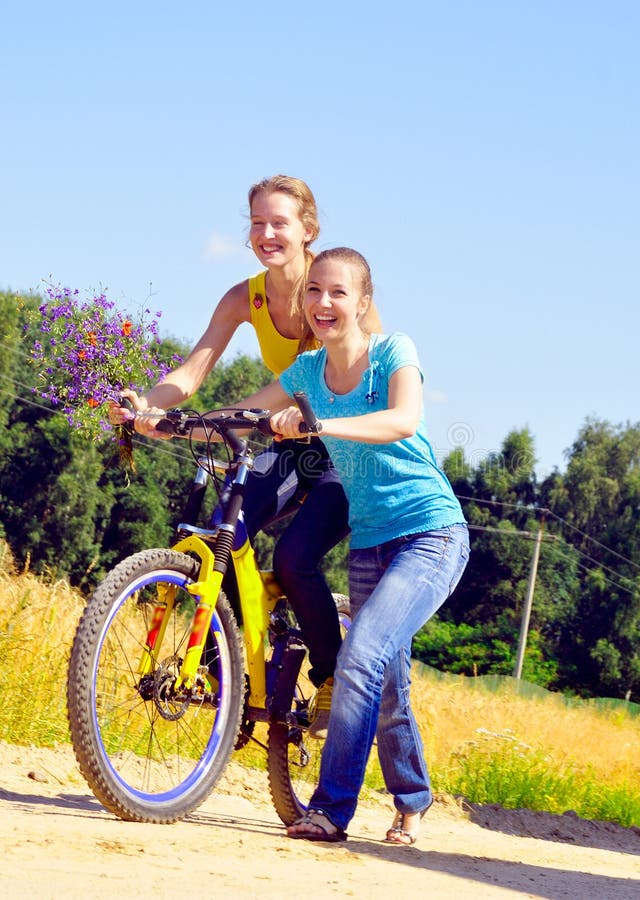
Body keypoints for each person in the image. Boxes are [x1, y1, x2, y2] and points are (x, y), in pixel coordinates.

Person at [136, 247, 469, 844]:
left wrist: (319, 425)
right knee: (385, 679)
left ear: (362, 303)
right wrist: (169, 419)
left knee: (361, 661)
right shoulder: (308, 373)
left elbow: (403, 420)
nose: (323, 302)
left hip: (431, 535)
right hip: (369, 542)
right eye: (314, 291)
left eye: (338, 293)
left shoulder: (393, 352)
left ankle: (331, 810)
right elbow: (242, 413)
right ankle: (413, 799)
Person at [110, 177, 380, 735]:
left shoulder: (333, 288)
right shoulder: (245, 298)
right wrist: (146, 407)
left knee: (294, 557)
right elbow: (189, 375)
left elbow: (371, 378)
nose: (265, 233)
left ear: (308, 230)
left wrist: (316, 419)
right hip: (287, 448)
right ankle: (228, 670)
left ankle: (330, 675)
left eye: (279, 223)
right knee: (221, 536)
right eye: (257, 223)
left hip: (342, 457)